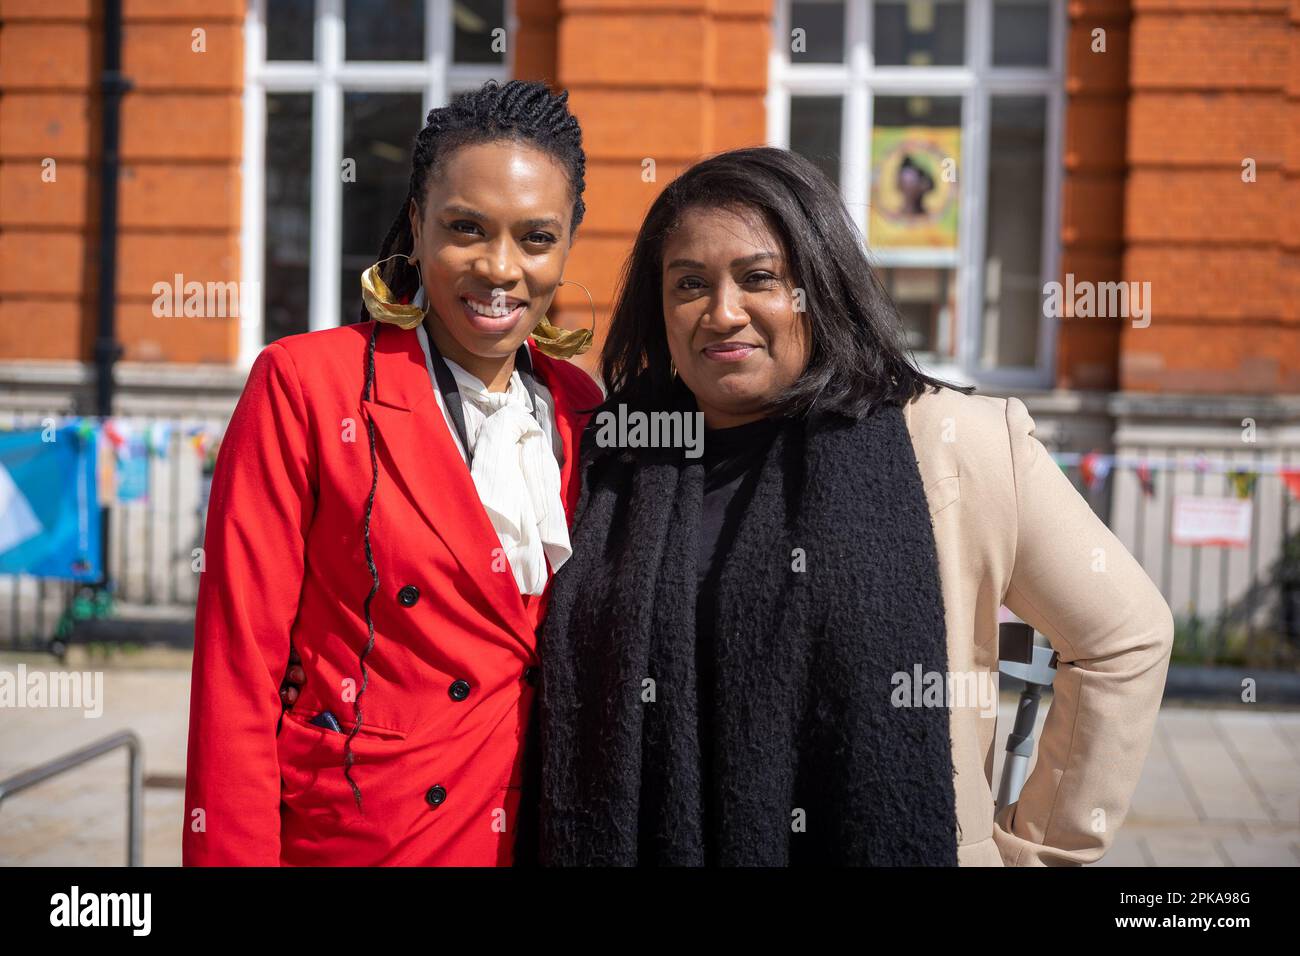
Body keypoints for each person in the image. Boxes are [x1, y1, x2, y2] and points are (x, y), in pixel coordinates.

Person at [532, 146, 1176, 866]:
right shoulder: (608, 452)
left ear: (820, 284)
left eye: (759, 279)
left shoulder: (950, 441)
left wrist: (1034, 852)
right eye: (690, 283)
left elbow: (1127, 639)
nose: (722, 312)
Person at [182, 79, 602, 866]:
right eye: (465, 229)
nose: (500, 268)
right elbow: (237, 675)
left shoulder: (582, 406)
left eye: (536, 239)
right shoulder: (305, 385)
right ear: (416, 222)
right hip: (367, 841)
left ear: (570, 240)